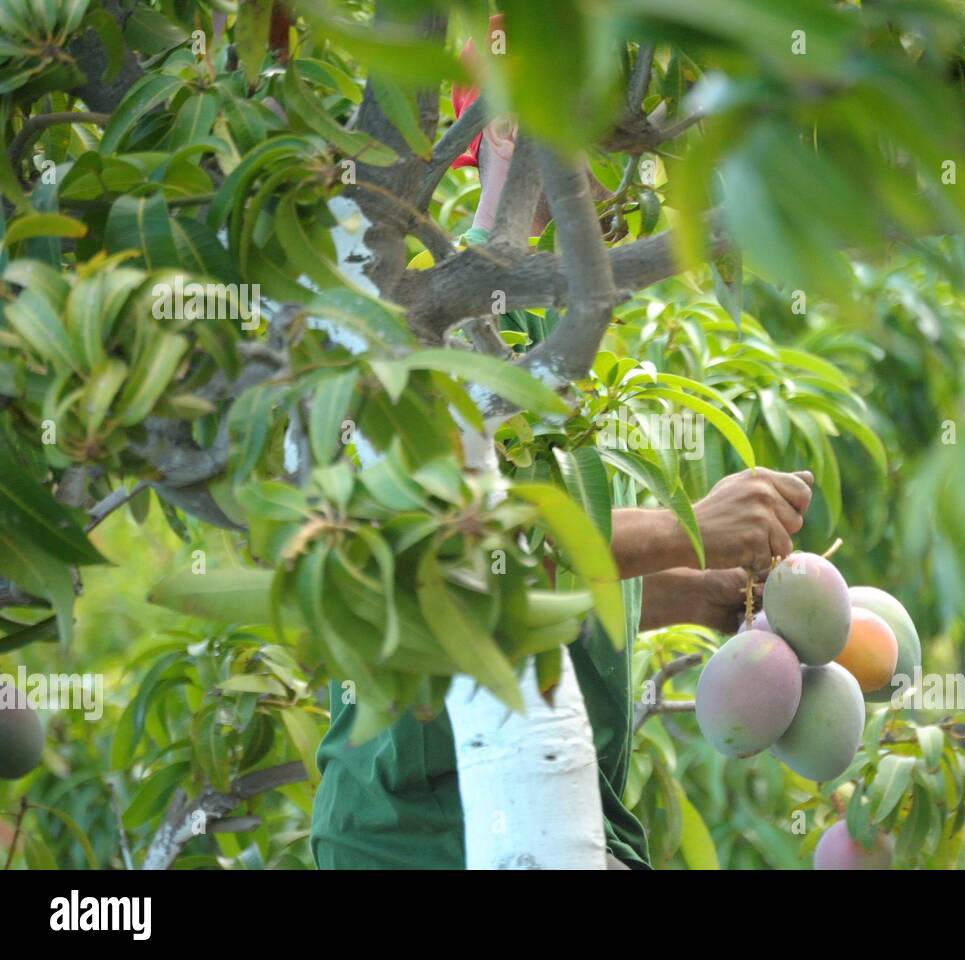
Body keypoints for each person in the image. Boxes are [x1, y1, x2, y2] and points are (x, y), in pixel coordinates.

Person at [309, 27, 817, 870]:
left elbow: (536, 585)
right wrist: (686, 524)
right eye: (510, 131)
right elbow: (454, 546)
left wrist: (695, 594)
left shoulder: (542, 324)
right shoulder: (389, 322)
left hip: (563, 820)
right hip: (420, 836)